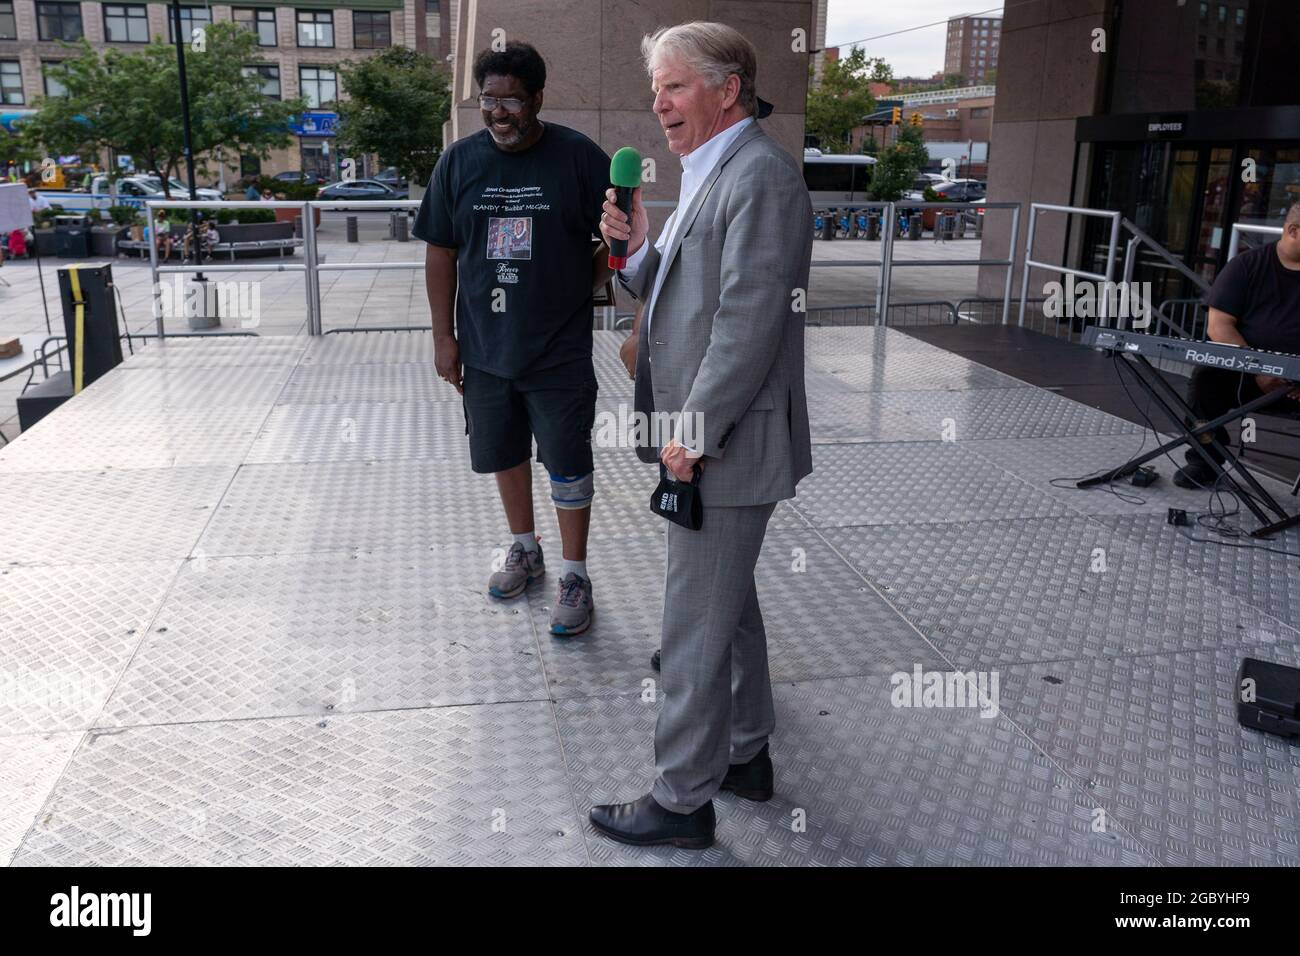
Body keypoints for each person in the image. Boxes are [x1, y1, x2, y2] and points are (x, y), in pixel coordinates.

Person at [590, 21, 813, 849]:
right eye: (657, 88)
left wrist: (694, 432)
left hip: (722, 441)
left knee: (692, 622)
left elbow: (750, 323)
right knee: (732, 605)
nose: (659, 103)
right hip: (705, 435)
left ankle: (682, 801)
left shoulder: (762, 177)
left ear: (727, 89)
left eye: (675, 86)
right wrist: (635, 252)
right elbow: (682, 295)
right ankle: (746, 755)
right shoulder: (707, 171)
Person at [413, 40, 611, 636]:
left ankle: (575, 574)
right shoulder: (459, 162)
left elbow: (622, 240)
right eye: (488, 100)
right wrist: (442, 337)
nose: (498, 112)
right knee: (504, 451)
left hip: (558, 350)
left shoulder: (578, 158)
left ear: (538, 100)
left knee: (567, 460)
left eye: (511, 101)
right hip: (485, 346)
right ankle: (524, 548)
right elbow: (441, 251)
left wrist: (584, 282)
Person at [1174, 201, 1300, 488]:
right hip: (1249, 375)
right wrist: (1260, 369)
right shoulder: (1247, 266)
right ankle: (1204, 461)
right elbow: (1219, 326)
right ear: (1293, 230)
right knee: (1207, 378)